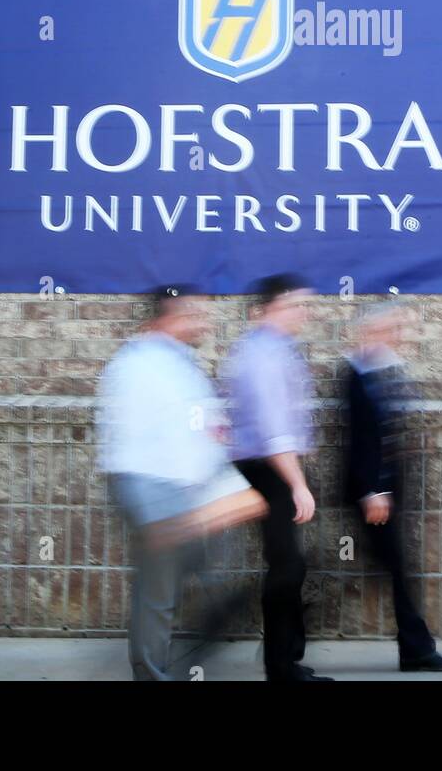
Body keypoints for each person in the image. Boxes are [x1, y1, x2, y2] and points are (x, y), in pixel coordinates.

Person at [97, 284, 266, 682]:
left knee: (191, 581)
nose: (202, 321)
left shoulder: (179, 363)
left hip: (183, 494)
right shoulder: (137, 365)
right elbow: (130, 445)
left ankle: (174, 656)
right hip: (154, 490)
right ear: (168, 317)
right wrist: (159, 512)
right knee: (159, 592)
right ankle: (152, 672)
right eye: (194, 313)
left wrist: (226, 492)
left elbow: (202, 433)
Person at [222, 273, 332, 683]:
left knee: (289, 564)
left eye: (305, 305)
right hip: (268, 467)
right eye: (293, 305)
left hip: (271, 464)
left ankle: (286, 658)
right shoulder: (264, 354)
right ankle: (280, 667)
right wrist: (298, 484)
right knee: (286, 566)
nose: (303, 312)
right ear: (266, 309)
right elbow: (272, 430)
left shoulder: (273, 349)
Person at [344, 304, 442, 673]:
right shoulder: (357, 374)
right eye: (389, 328)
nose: (396, 335)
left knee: (390, 566)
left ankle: (416, 649)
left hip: (388, 491)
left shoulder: (384, 368)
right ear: (370, 331)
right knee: (392, 568)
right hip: (373, 493)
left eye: (397, 328)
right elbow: (364, 438)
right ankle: (416, 650)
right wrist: (372, 490)